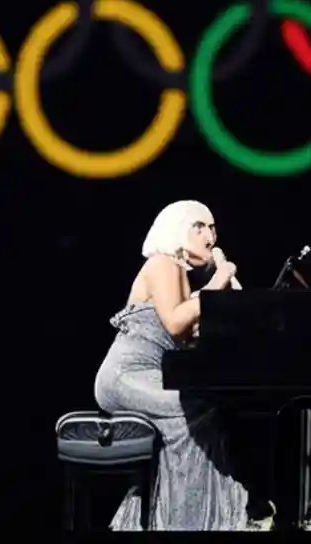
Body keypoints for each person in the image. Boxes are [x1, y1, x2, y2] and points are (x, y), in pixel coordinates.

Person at [93, 200, 260, 530]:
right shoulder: (162, 264)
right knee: (192, 411)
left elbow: (185, 339)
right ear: (181, 228)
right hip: (125, 376)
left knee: (208, 407)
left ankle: (181, 518)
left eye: (213, 228)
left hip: (152, 375)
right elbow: (172, 321)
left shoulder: (181, 278)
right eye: (202, 227)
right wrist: (218, 281)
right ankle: (186, 521)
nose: (211, 235)